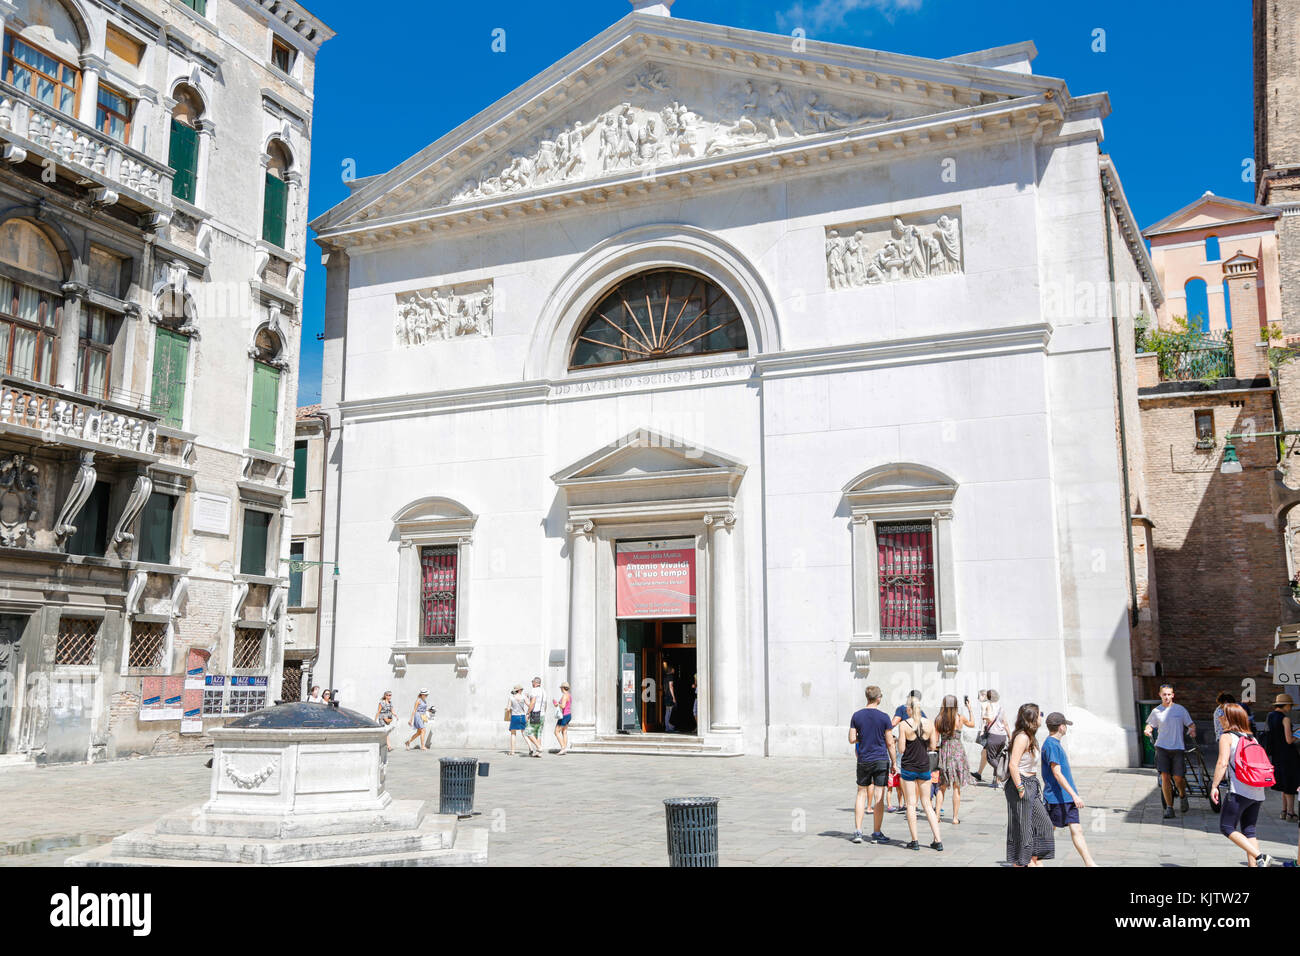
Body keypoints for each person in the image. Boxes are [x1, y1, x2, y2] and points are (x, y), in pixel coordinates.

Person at [1210, 702, 1273, 867]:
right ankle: (1256, 864)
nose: (1219, 718)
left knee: (1226, 827)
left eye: (1222, 715)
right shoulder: (1252, 737)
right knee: (1249, 830)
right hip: (1258, 791)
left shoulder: (1227, 736)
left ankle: (1260, 856)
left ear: (1230, 717)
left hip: (1239, 790)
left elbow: (1222, 763)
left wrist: (1214, 786)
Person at [1041, 712, 1097, 866]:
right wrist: (1075, 795)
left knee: (1076, 830)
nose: (1066, 727)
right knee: (1048, 831)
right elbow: (1057, 773)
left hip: (1065, 797)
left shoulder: (1053, 744)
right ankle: (1031, 859)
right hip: (1058, 797)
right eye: (1065, 725)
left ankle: (1089, 863)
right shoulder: (1052, 745)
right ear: (1061, 727)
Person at [1005, 703, 1054, 867]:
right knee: (1024, 829)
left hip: (1032, 784)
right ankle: (1021, 862)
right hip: (1021, 784)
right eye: (1040, 714)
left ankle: (1031, 858)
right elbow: (1013, 764)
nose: (1042, 717)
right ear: (1033, 718)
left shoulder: (1031, 737)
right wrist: (1020, 789)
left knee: (1044, 824)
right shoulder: (1022, 737)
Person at [848, 684, 897, 845]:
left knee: (861, 793)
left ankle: (858, 831)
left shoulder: (857, 716)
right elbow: (890, 742)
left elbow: (851, 739)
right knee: (879, 795)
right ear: (878, 698)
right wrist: (895, 761)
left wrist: (863, 737)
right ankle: (876, 832)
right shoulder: (884, 717)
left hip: (864, 759)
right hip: (881, 759)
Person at [897, 695, 942, 851]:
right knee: (928, 805)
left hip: (908, 767)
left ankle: (914, 840)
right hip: (924, 766)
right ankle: (938, 840)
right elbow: (933, 746)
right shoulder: (929, 724)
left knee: (910, 803)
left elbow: (901, 749)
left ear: (908, 709)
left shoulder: (904, 725)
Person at [1144, 683, 1196, 818]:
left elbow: (1190, 724)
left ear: (1173, 695)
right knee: (1165, 777)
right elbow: (1150, 725)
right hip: (1162, 747)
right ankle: (1169, 807)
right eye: (1164, 694)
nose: (1166, 697)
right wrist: (1147, 730)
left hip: (1178, 747)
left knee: (1178, 777)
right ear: (1160, 695)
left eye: (1169, 694)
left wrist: (1192, 730)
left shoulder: (1180, 710)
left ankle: (1183, 795)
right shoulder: (1156, 711)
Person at [934, 694, 975, 825]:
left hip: (945, 752)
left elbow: (935, 741)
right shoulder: (959, 718)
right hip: (958, 752)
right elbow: (972, 724)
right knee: (957, 787)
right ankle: (955, 817)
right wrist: (970, 709)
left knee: (942, 787)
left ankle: (936, 816)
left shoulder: (939, 719)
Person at [1266, 693, 1299, 821]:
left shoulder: (1270, 716)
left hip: (1276, 754)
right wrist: (1298, 734)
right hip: (1288, 755)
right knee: (1290, 783)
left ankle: (1284, 811)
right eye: (1290, 705)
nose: (1290, 708)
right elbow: (1289, 740)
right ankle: (1291, 812)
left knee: (1283, 783)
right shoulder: (1285, 719)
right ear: (1285, 705)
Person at [983, 689, 1010, 788]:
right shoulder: (1001, 708)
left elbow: (989, 718)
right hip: (1002, 736)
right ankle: (997, 782)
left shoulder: (989, 706)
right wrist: (1010, 737)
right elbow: (1006, 724)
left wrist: (984, 717)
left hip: (993, 735)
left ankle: (1004, 773)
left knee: (990, 759)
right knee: (997, 758)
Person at [972, 689, 990, 782]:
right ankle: (979, 773)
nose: (977, 698)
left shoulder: (984, 704)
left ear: (983, 696)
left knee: (988, 754)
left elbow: (984, 719)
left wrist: (982, 730)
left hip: (986, 731)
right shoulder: (989, 704)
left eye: (979, 695)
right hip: (988, 731)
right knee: (984, 753)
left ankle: (999, 776)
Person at [525, 677, 546, 757]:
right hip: (542, 714)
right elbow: (545, 704)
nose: (532, 683)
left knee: (527, 732)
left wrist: (528, 713)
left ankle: (539, 747)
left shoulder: (534, 690)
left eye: (532, 682)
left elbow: (533, 703)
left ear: (535, 683)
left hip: (535, 714)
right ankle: (538, 752)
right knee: (538, 733)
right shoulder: (544, 691)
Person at [507, 684, 529, 756]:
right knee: (524, 733)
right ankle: (531, 748)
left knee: (513, 734)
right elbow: (529, 705)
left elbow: (508, 708)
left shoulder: (511, 697)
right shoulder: (523, 697)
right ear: (519, 690)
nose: (522, 691)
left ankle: (512, 752)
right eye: (522, 690)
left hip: (514, 717)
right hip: (522, 716)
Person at [553, 683, 572, 755]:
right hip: (569, 715)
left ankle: (563, 747)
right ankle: (564, 748)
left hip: (564, 715)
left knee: (556, 732)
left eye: (561, 688)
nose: (560, 689)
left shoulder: (564, 696)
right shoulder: (569, 695)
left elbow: (563, 706)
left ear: (563, 688)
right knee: (564, 732)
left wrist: (557, 704)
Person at [663, 662, 677, 732]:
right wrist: (673, 697)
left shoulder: (665, 677)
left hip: (666, 695)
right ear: (671, 670)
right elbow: (671, 686)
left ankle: (667, 727)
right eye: (674, 669)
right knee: (670, 712)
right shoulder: (670, 676)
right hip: (669, 696)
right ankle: (669, 727)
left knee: (667, 712)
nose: (675, 670)